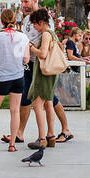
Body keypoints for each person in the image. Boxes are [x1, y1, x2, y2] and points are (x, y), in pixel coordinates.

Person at [0, 9, 29, 152]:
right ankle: (12, 144)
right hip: (18, 77)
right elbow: (26, 59)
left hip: (1, 78)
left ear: (1, 21)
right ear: (15, 21)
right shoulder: (23, 38)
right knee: (15, 111)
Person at [26, 9, 63, 148]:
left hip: (44, 74)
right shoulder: (51, 33)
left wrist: (31, 47)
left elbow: (42, 54)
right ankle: (51, 135)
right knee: (48, 103)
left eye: (35, 24)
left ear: (41, 22)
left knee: (37, 104)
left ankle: (42, 138)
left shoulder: (46, 34)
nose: (34, 27)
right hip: (51, 74)